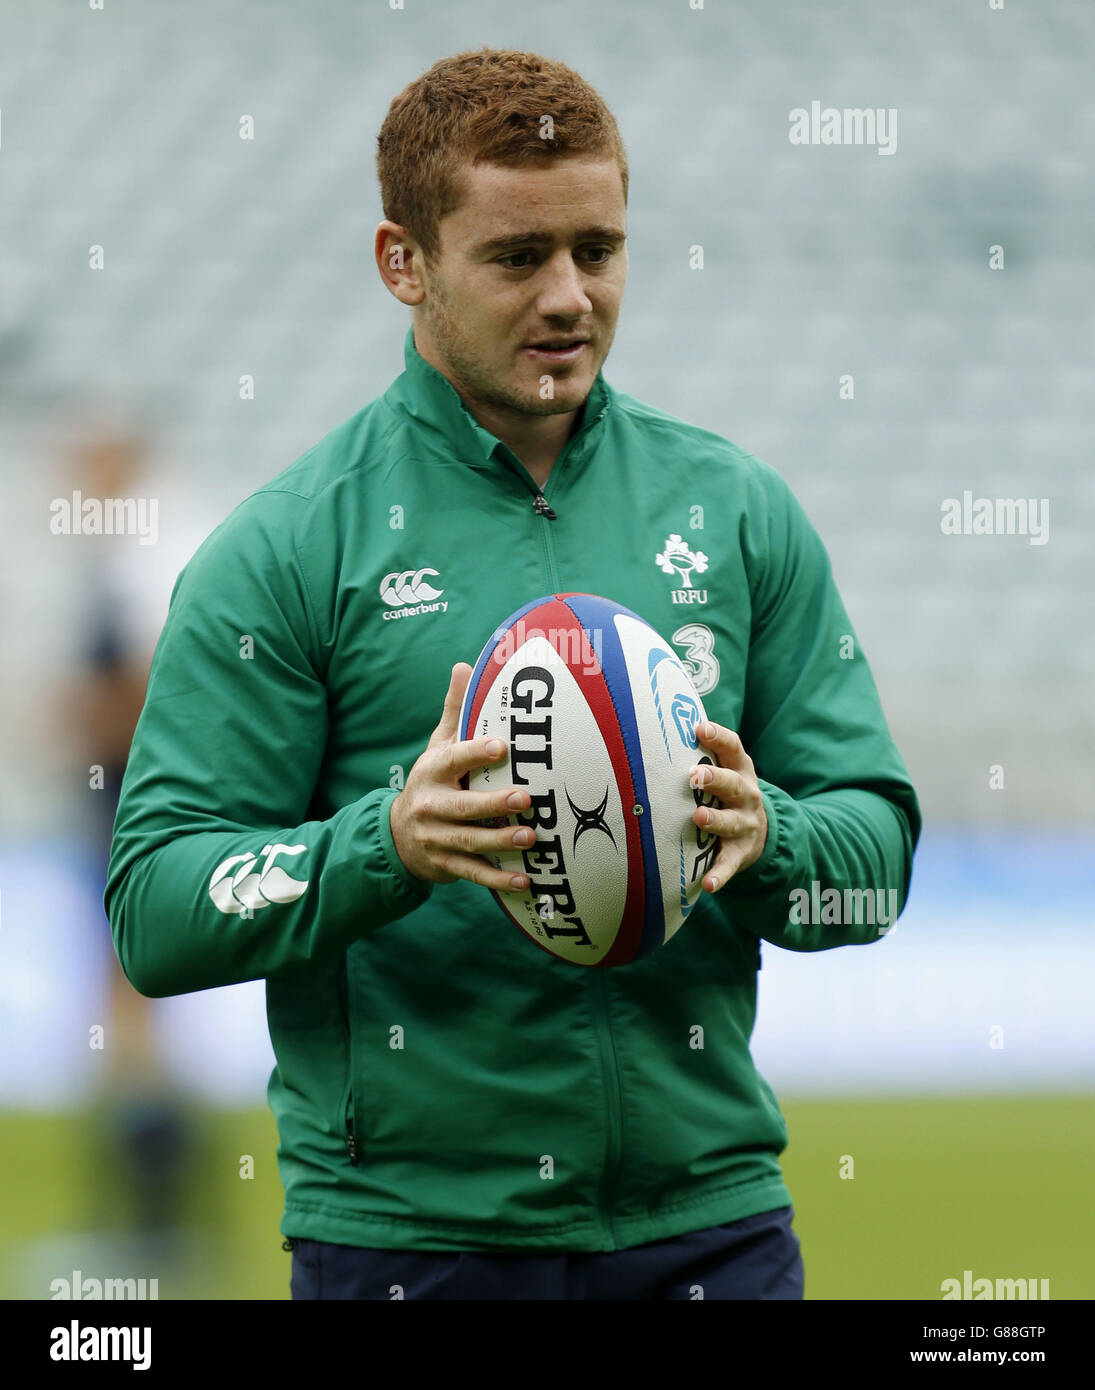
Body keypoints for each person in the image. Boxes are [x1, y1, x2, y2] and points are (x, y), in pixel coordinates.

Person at [105, 47, 921, 1301]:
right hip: (410, 1241)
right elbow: (157, 910)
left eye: (598, 250)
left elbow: (877, 858)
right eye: (517, 256)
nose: (568, 297)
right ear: (404, 263)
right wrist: (386, 844)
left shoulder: (737, 511)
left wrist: (773, 839)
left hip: (712, 1224)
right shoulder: (289, 548)